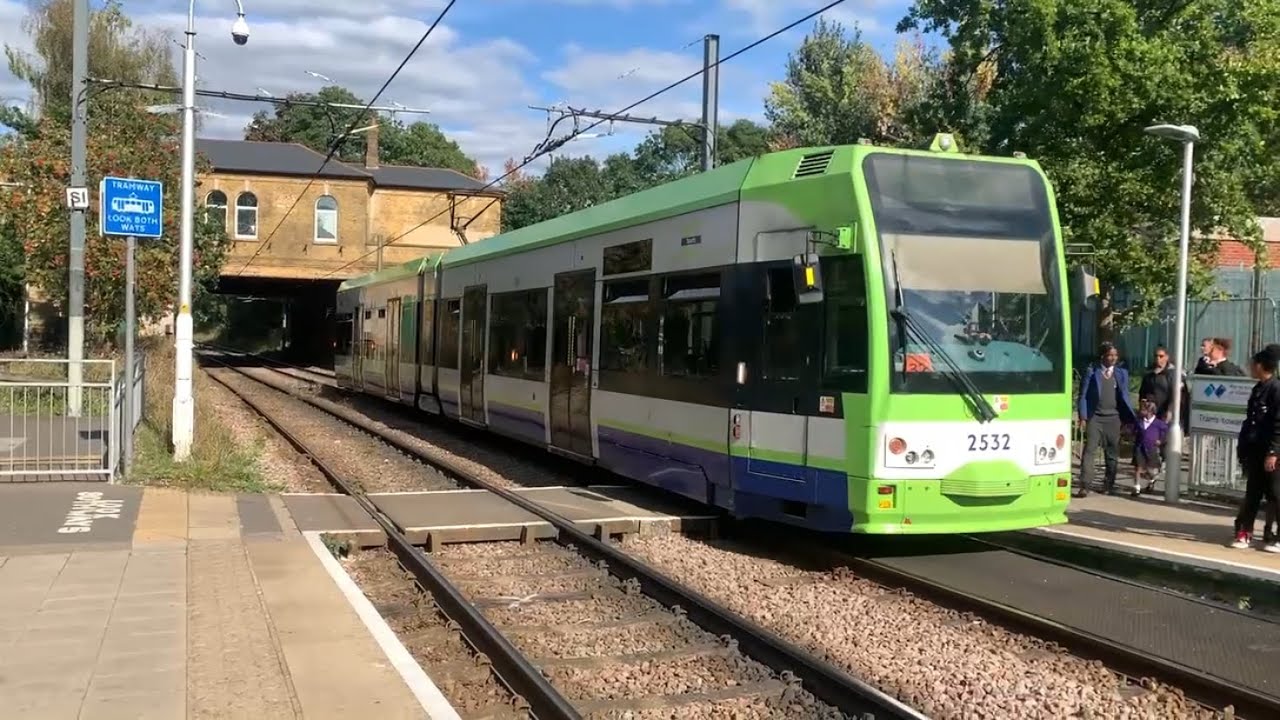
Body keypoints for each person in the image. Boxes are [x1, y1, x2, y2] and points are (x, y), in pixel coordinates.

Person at [1231, 346, 1280, 551]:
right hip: (1255, 449)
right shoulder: (1258, 388)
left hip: (1271, 452)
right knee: (1253, 493)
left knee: (1276, 494)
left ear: (1260, 366)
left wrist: (1273, 452)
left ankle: (1276, 537)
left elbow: (1279, 424)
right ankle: (1244, 533)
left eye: (1253, 364)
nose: (1250, 367)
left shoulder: (1276, 389)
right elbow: (1251, 420)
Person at [1077, 342, 1137, 497]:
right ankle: (1085, 484)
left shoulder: (1121, 373)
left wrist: (1126, 419)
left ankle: (1109, 484)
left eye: (1115, 355)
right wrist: (1083, 416)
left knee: (1111, 452)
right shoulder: (1092, 372)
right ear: (1103, 356)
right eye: (1110, 355)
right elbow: (1083, 395)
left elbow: (1124, 396)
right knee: (1089, 450)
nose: (1113, 358)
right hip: (1095, 418)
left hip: (1114, 418)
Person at [1131, 398, 1169, 496]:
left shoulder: (1159, 424)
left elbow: (1166, 434)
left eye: (1144, 410)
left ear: (1151, 412)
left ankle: (1152, 479)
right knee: (1138, 467)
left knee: (1151, 470)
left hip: (1151, 448)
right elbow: (1134, 431)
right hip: (1140, 447)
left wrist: (1161, 441)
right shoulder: (1139, 421)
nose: (1142, 412)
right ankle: (1136, 487)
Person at [1139, 346, 1179, 422]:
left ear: (1166, 357)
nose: (1158, 359)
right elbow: (1142, 393)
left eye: (1161, 356)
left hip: (1165, 413)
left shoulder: (1171, 374)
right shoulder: (1149, 374)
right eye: (1156, 356)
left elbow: (1174, 395)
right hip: (1150, 413)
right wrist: (1142, 408)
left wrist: (1170, 411)